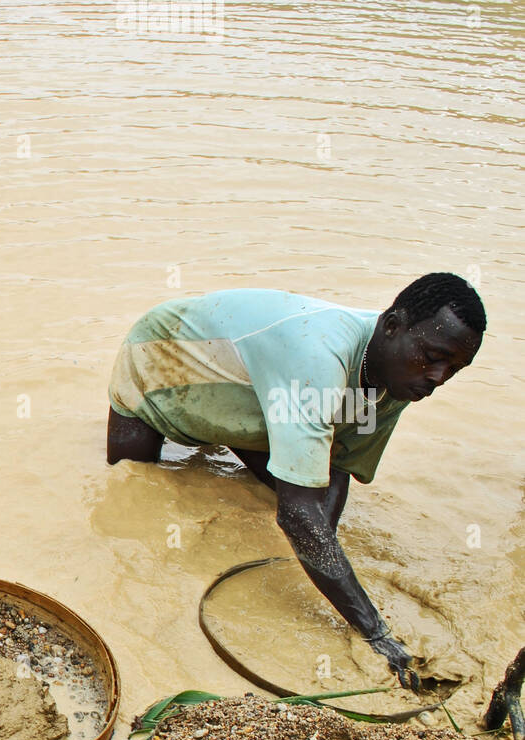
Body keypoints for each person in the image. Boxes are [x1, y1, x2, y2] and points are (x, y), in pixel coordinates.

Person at [105, 273, 485, 689]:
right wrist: (376, 633)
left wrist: (324, 547)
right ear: (393, 326)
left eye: (454, 368)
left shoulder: (397, 381)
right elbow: (297, 516)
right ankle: (204, 429)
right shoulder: (318, 358)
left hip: (251, 396)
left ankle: (232, 435)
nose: (438, 377)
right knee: (131, 482)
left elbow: (337, 467)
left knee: (309, 505)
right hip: (163, 361)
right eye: (432, 357)